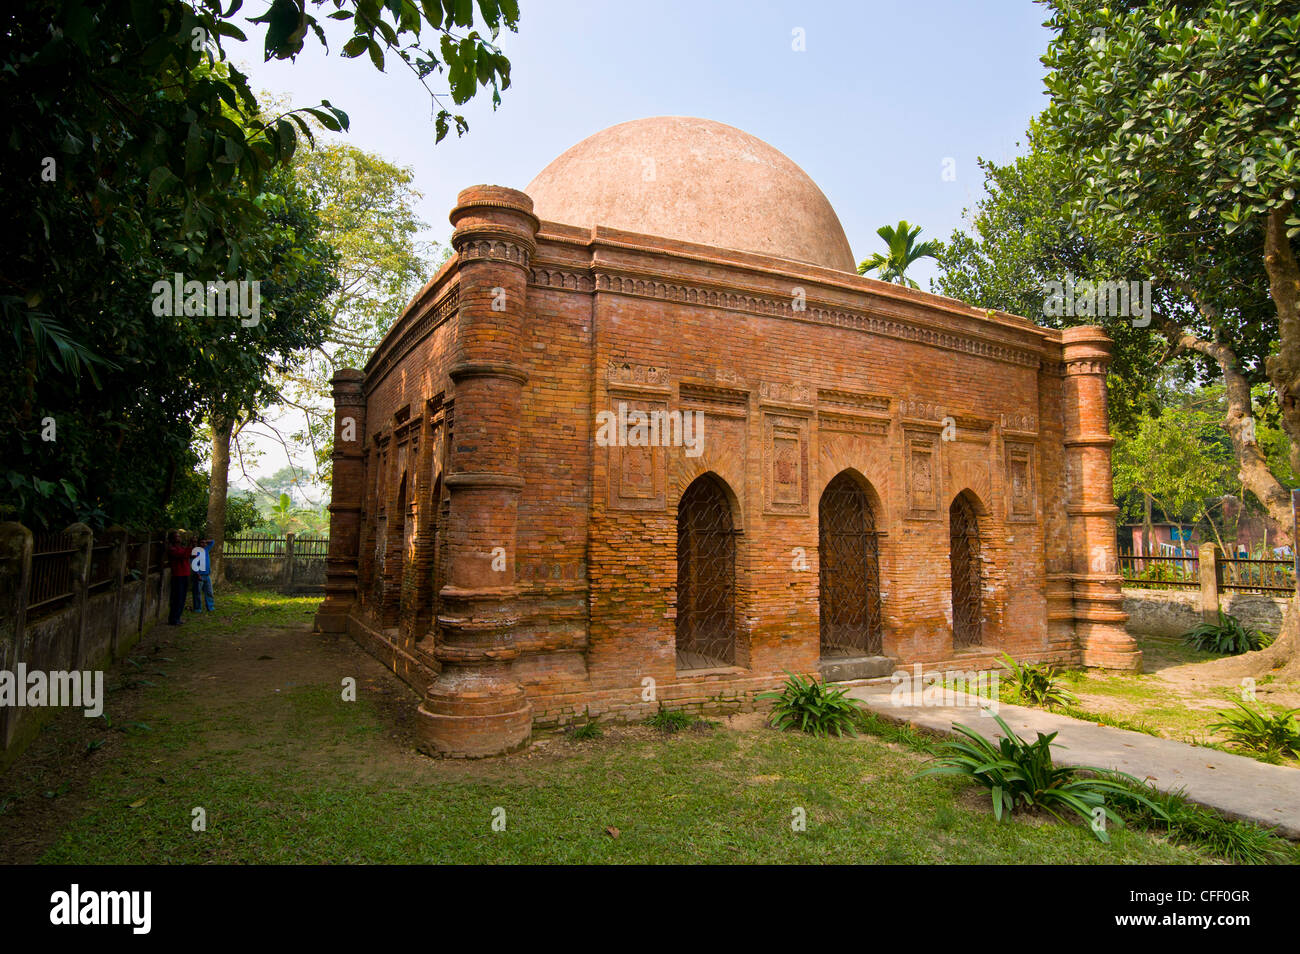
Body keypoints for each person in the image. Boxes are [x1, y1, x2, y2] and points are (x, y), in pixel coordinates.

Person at [165, 530, 192, 625]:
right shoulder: (172, 549)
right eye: (176, 536)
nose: (179, 538)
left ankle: (177, 617)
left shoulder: (181, 548)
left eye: (179, 536)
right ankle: (173, 619)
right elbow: (183, 555)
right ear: (172, 539)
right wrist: (189, 546)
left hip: (185, 574)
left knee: (182, 597)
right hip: (178, 575)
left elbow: (187, 554)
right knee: (177, 598)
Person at [191, 537, 215, 612]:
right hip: (199, 575)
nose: (204, 544)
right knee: (197, 593)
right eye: (202, 543)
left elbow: (212, 541)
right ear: (198, 543)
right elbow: (193, 564)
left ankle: (210, 607)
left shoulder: (206, 549)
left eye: (205, 543)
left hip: (207, 575)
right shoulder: (195, 551)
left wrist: (205, 540)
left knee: (209, 592)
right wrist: (198, 574)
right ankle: (197, 608)